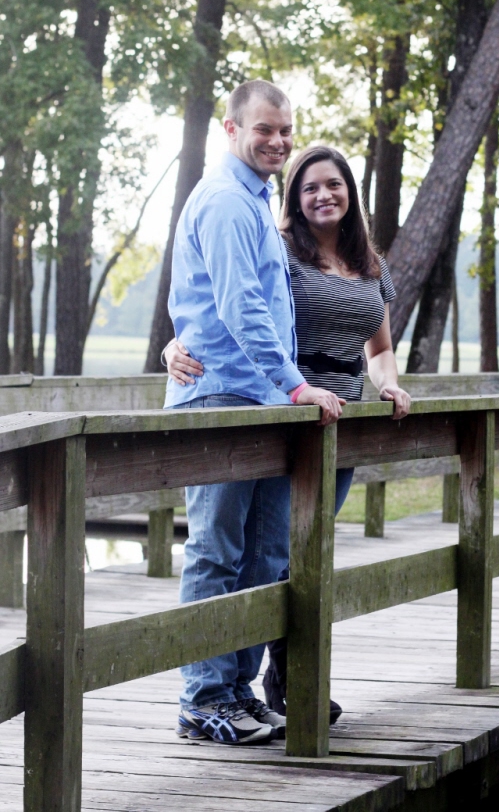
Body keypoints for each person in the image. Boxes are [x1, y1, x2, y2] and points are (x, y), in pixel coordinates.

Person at [167, 143, 411, 724]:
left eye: (333, 184)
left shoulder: (368, 263)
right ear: (293, 201)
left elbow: (378, 348)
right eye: (309, 187)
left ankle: (267, 682)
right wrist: (177, 345)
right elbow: (231, 301)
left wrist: (389, 386)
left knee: (289, 553)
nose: (323, 195)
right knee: (241, 550)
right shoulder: (277, 250)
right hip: (286, 407)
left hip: (340, 418)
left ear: (350, 192)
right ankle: (218, 690)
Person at [165, 79, 344, 747]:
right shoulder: (222, 202)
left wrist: (284, 392)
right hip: (224, 400)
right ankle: (202, 700)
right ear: (231, 129)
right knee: (215, 553)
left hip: (261, 401)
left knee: (261, 557)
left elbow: (216, 298)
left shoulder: (254, 203)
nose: (277, 140)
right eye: (264, 128)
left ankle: (238, 693)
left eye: (285, 130)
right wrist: (297, 387)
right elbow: (237, 309)